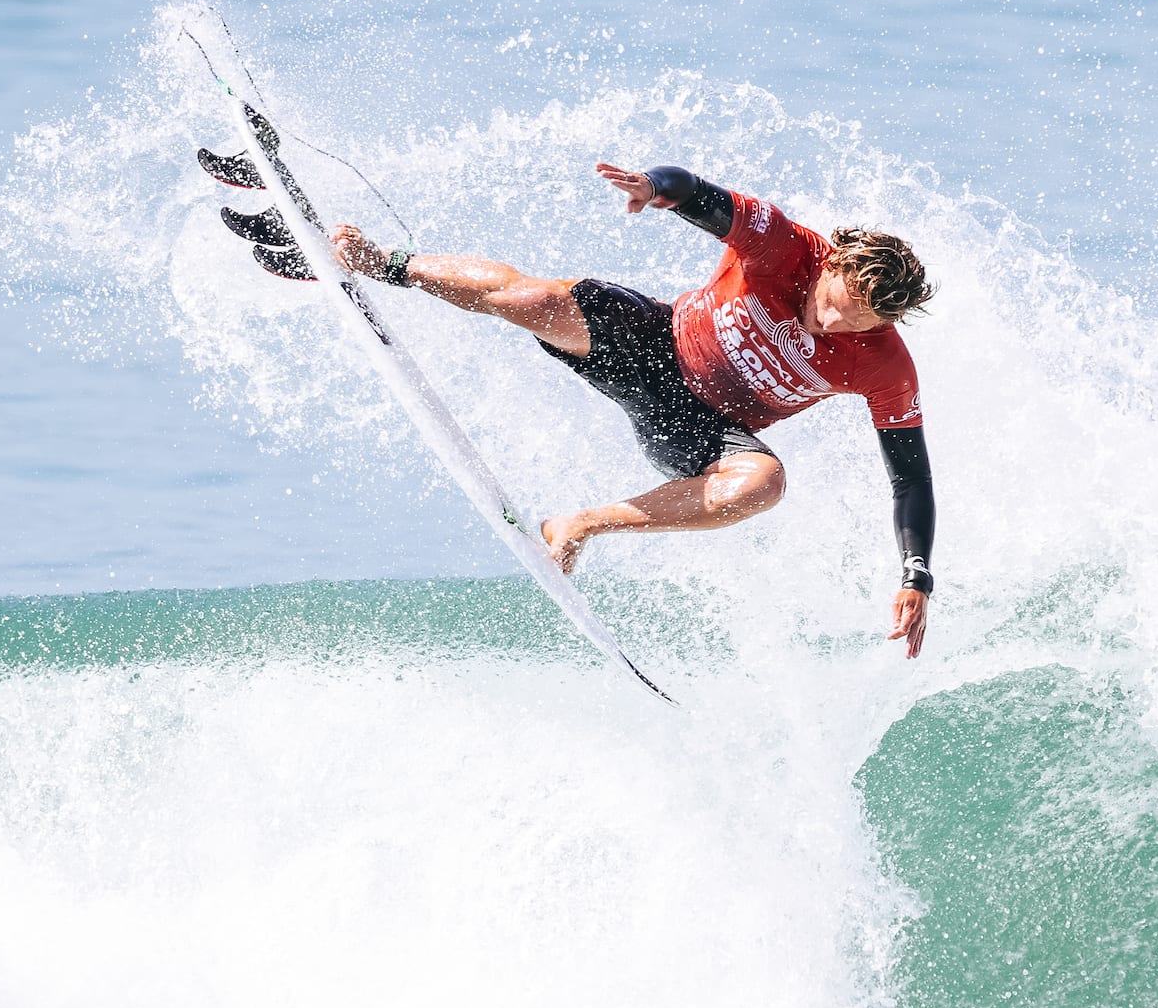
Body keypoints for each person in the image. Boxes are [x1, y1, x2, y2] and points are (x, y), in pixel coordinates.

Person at [321, 162, 936, 657]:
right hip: (659, 341)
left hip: (699, 430)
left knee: (763, 485)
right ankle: (388, 264)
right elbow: (695, 192)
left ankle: (580, 524)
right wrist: (653, 186)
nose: (830, 324)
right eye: (833, 303)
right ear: (831, 263)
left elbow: (910, 478)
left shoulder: (887, 366)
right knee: (540, 299)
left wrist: (916, 576)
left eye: (857, 322)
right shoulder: (784, 244)